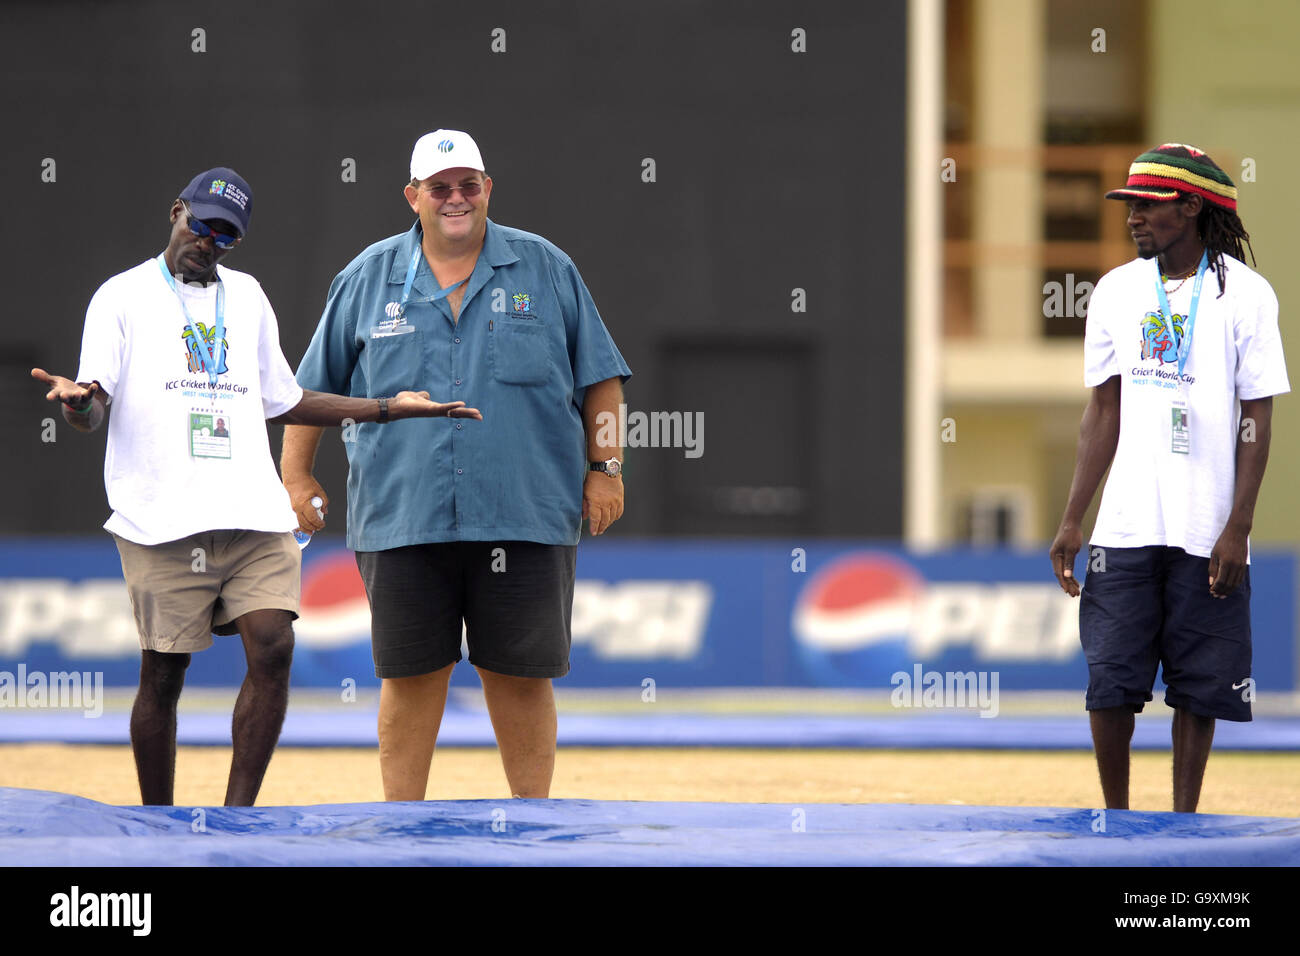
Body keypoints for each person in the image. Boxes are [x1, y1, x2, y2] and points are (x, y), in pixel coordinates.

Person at [32, 166, 480, 807]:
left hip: (253, 511)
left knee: (273, 646)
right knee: (164, 671)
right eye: (201, 224)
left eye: (225, 235)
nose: (208, 241)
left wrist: (385, 407)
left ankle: (239, 815)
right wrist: (77, 405)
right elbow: (92, 404)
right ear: (176, 210)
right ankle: (158, 819)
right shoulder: (121, 297)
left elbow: (286, 400)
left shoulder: (247, 297)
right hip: (161, 518)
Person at [283, 130, 631, 801]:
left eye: (468, 184)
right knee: (410, 680)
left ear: (488, 189)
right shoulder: (366, 278)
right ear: (413, 196)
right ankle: (400, 825)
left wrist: (606, 468)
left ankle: (531, 824)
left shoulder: (545, 267)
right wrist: (296, 477)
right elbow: (307, 392)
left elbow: (603, 380)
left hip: (524, 513)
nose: (455, 198)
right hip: (404, 515)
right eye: (439, 187)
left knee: (522, 679)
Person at [1048, 143, 1288, 813]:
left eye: (1147, 206)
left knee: (1202, 681)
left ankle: (1185, 820)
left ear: (1190, 206)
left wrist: (1238, 528)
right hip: (1124, 524)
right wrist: (1073, 517)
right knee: (1110, 678)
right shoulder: (1119, 291)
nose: (1133, 219)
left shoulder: (1247, 295)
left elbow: (1256, 420)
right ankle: (1115, 817)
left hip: (1206, 523)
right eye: (1129, 206)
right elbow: (1102, 410)